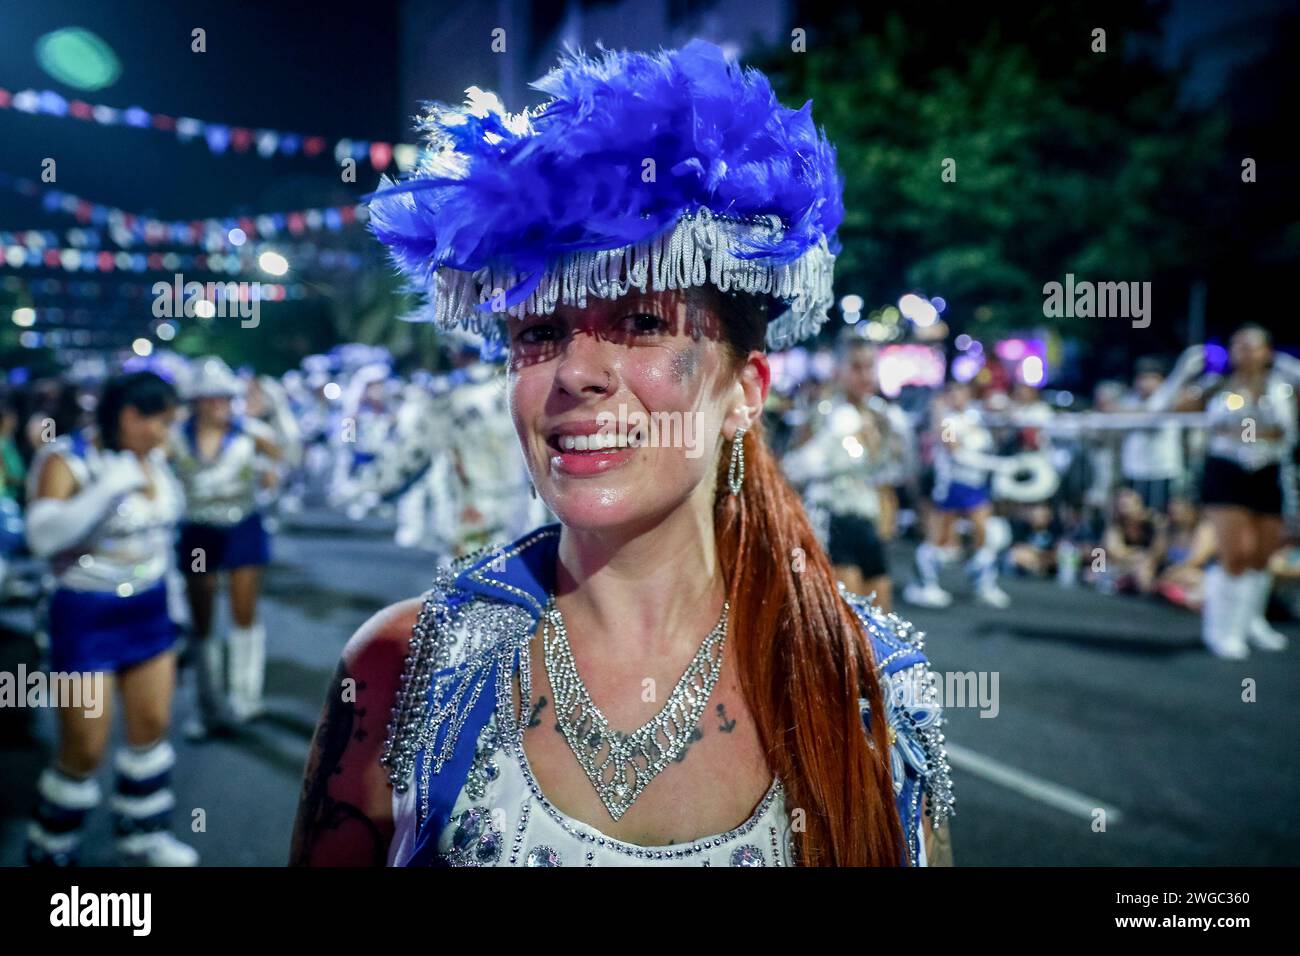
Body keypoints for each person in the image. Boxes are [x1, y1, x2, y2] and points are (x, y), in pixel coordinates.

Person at [292, 40, 954, 867]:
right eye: (539, 331)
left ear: (746, 391)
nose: (576, 373)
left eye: (642, 322)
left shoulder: (869, 683)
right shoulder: (402, 670)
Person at [23, 372, 198, 866]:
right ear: (127, 415)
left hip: (149, 610)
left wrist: (177, 610)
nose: (164, 433)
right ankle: (51, 848)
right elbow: (41, 537)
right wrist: (106, 490)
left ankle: (142, 835)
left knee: (151, 729)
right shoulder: (66, 458)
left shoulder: (156, 460)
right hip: (85, 616)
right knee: (84, 748)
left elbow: (163, 545)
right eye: (157, 421)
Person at [1149, 325, 1296, 657]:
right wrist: (1181, 374)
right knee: (1236, 553)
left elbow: (1282, 430)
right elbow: (1164, 409)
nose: (1244, 352)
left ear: (1268, 351)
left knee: (1261, 555)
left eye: (1252, 345)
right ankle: (1221, 629)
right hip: (1227, 471)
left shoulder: (1283, 387)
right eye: (1237, 345)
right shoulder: (1216, 386)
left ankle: (1251, 620)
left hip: (1269, 471)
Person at [170, 357, 282, 734]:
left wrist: (274, 414)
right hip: (197, 532)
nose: (220, 404)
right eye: (211, 397)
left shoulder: (250, 432)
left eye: (225, 397)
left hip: (242, 527)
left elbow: (289, 456)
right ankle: (207, 706)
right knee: (201, 619)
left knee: (244, 612)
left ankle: (245, 698)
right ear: (195, 402)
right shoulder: (175, 436)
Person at [783, 336, 909, 609]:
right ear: (838, 370)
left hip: (868, 521)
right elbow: (792, 469)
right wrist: (832, 439)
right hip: (831, 520)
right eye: (856, 367)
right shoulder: (823, 413)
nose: (865, 375)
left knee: (881, 616)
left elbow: (889, 473)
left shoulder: (882, 416)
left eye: (870, 366)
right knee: (849, 615)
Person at [904, 380, 1010, 609]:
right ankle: (922, 584)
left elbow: (996, 433)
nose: (957, 396)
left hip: (976, 484)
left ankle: (983, 584)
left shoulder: (976, 418)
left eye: (961, 392)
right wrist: (994, 464)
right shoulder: (947, 422)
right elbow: (954, 451)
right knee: (940, 537)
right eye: (952, 392)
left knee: (983, 534)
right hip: (951, 484)